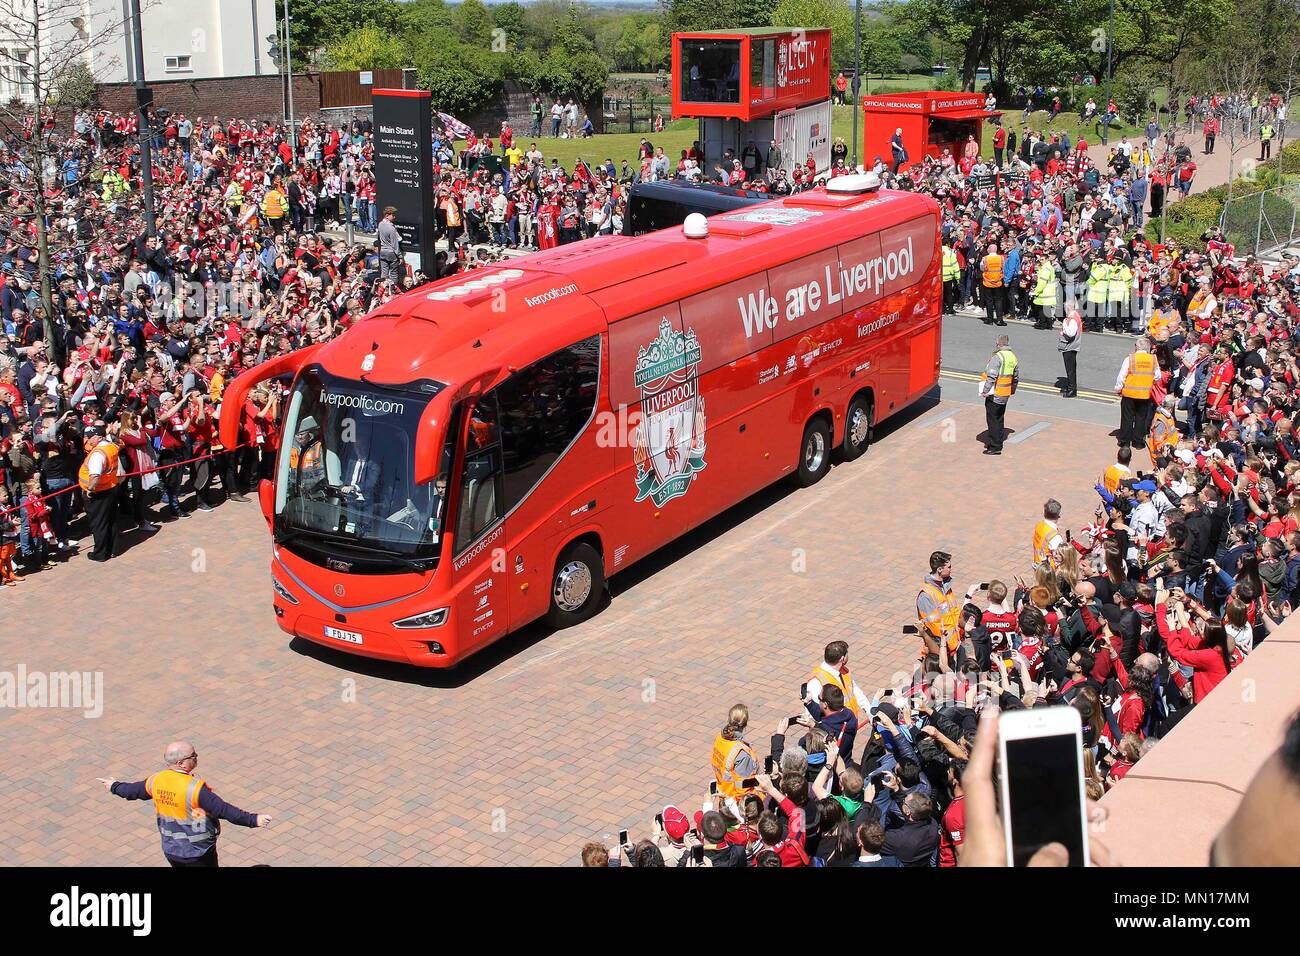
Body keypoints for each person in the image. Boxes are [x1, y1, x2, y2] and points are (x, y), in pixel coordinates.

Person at [96, 740, 271, 867]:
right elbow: (224, 810)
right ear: (181, 763)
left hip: (172, 849)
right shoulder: (194, 789)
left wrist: (114, 786)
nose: (196, 757)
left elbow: (133, 791)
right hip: (199, 852)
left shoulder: (157, 780)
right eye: (193, 756)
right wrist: (254, 820)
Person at [77, 423, 123, 562]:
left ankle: (100, 554)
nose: (88, 440)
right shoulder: (111, 447)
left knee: (99, 523)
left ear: (97, 437)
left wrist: (90, 489)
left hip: (98, 492)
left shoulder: (98, 454)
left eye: (90, 437)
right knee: (110, 520)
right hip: (111, 488)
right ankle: (113, 549)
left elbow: (95, 476)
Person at [978, 334, 1018, 456]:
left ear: (998, 344)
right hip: (1005, 393)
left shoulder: (998, 357)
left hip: (995, 393)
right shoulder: (1012, 357)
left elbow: (991, 376)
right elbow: (1015, 377)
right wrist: (1012, 390)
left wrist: (985, 390)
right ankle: (998, 441)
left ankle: (994, 447)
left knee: (993, 419)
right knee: (1000, 418)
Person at [1115, 337, 1157, 450]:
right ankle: (1138, 442)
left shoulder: (1130, 359)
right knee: (1141, 418)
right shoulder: (1153, 359)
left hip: (1129, 393)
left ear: (1137, 347)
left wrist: (1118, 389)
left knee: (1127, 418)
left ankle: (1124, 442)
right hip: (1144, 395)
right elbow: (1158, 376)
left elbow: (1121, 377)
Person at [1058, 308, 1082, 398]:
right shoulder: (1075, 316)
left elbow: (1070, 333)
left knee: (1070, 369)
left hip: (1070, 347)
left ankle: (1072, 390)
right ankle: (1070, 387)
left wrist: (1064, 324)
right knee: (1070, 369)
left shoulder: (1072, 319)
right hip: (1072, 346)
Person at [377, 206, 403, 282]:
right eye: (393, 215)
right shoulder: (391, 228)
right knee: (393, 273)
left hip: (382, 252)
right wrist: (400, 256)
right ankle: (394, 289)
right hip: (391, 253)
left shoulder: (380, 224)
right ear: (387, 215)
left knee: (384, 273)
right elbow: (395, 244)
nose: (394, 217)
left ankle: (382, 288)